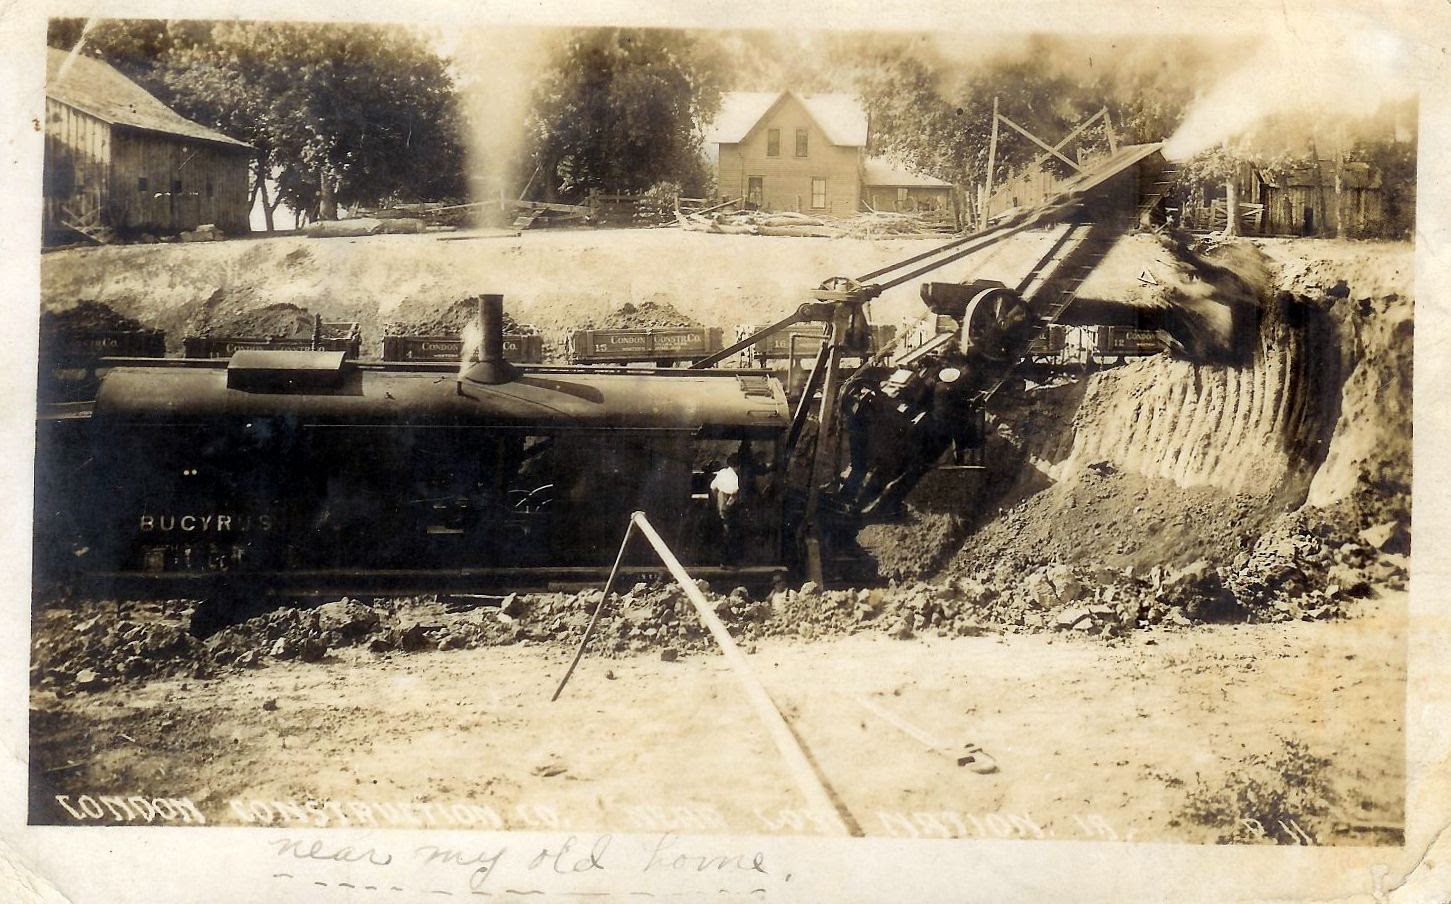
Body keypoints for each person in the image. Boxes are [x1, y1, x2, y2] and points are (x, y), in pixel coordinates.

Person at [710, 454, 744, 563]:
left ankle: (721, 558)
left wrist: (717, 500)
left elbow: (713, 487)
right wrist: (728, 506)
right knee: (729, 531)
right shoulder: (735, 478)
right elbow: (734, 493)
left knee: (722, 528)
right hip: (728, 501)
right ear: (738, 466)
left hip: (720, 498)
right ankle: (725, 559)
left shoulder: (722, 473)